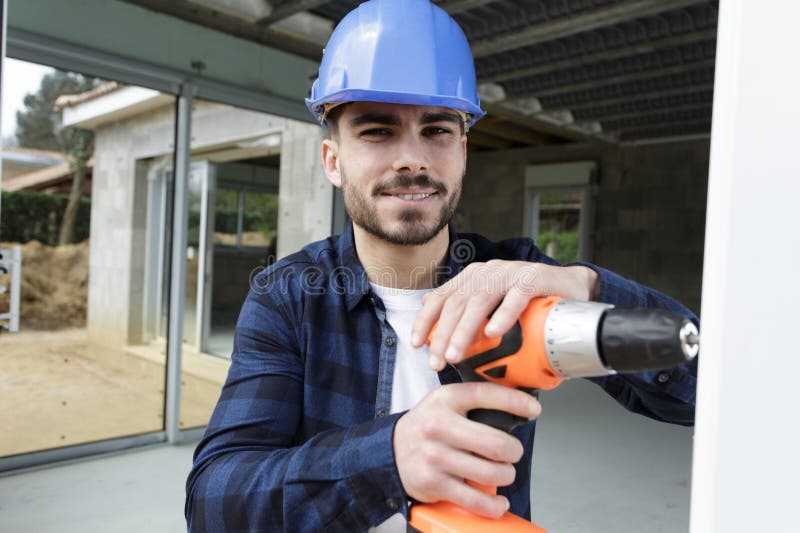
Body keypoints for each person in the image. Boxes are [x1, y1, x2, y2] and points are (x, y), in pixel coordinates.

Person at [185, 1, 697, 531]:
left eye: (436, 130)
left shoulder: (518, 277)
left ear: (463, 151)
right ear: (332, 161)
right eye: (378, 131)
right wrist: (387, 457)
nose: (413, 158)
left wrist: (583, 284)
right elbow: (214, 505)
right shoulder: (288, 296)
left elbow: (702, 392)